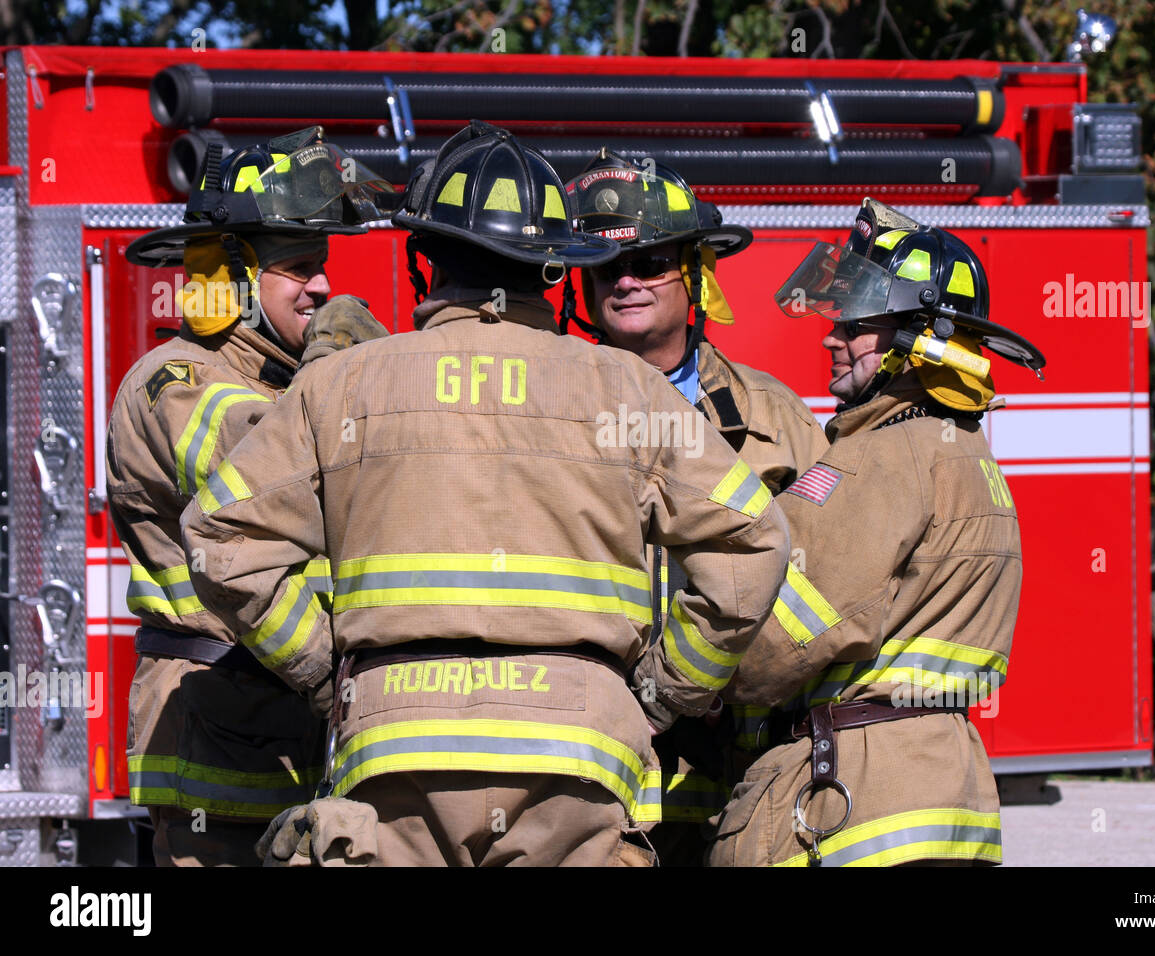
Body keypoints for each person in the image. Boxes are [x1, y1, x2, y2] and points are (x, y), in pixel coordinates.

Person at [179, 121, 791, 867]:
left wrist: (320, 672)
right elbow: (755, 539)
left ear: (422, 262)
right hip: (581, 750)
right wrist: (667, 691)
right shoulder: (627, 388)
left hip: (396, 747)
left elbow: (219, 537)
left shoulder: (340, 384)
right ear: (556, 268)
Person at [708, 198, 1046, 867]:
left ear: (917, 336)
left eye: (856, 324)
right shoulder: (969, 455)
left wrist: (691, 685)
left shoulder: (882, 455)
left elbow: (789, 632)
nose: (832, 337)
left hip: (862, 788)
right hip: (951, 783)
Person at [110, 127, 393, 866]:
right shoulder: (174, 380)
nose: (324, 287)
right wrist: (337, 371)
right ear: (235, 280)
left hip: (309, 738)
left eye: (322, 267)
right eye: (300, 268)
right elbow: (266, 471)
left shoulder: (288, 379)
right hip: (215, 739)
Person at [564, 151, 828, 861]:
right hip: (583, 763)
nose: (624, 281)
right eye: (603, 266)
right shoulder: (545, 405)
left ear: (695, 273)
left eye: (648, 262)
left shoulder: (773, 415)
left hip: (734, 769)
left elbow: (827, 577)